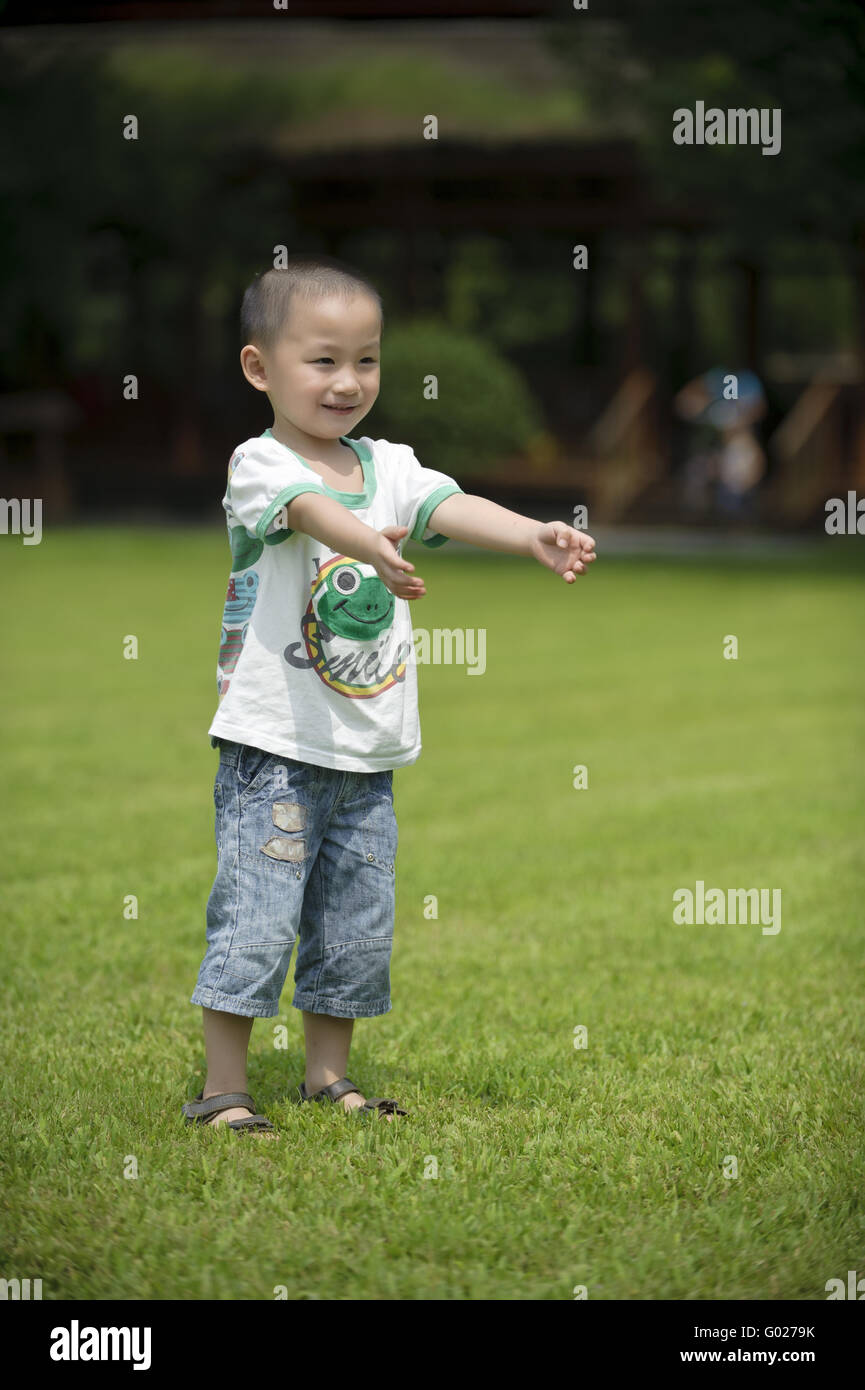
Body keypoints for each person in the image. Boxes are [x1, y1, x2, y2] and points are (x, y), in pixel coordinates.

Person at [183, 254, 597, 1134]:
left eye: (365, 360)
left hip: (365, 753)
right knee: (256, 917)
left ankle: (327, 1077)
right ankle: (224, 1088)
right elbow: (307, 512)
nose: (347, 381)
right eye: (322, 360)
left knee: (352, 927)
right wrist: (367, 541)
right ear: (260, 367)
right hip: (275, 749)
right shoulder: (258, 462)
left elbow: (449, 505)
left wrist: (532, 535)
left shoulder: (388, 463)